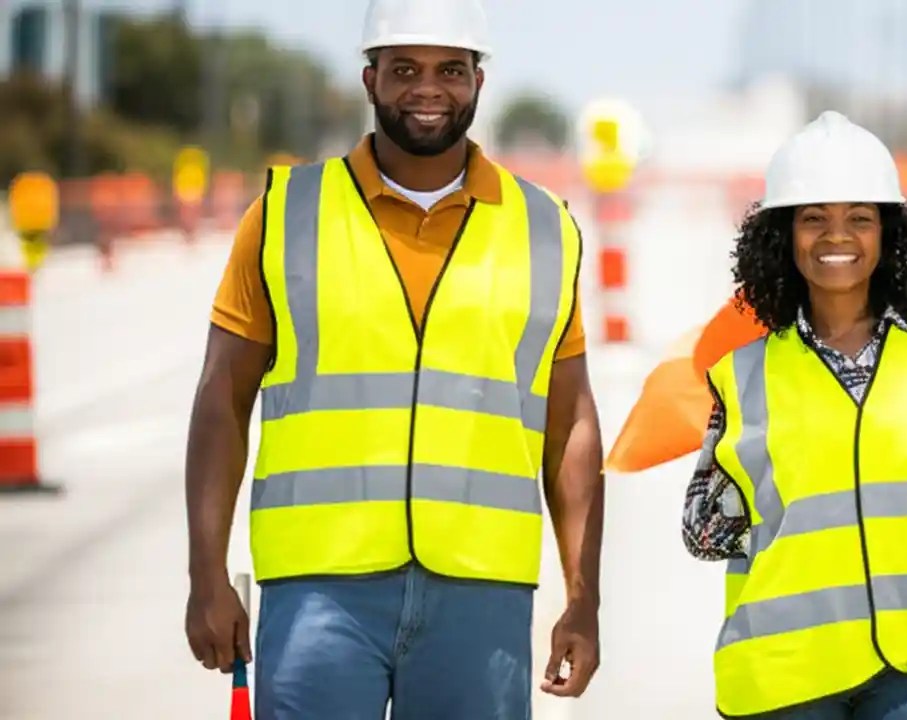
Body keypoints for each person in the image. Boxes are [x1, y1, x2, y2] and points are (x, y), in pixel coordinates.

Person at [182, 0, 605, 717]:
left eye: (450, 69)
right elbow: (223, 398)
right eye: (405, 68)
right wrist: (205, 573)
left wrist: (583, 598)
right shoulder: (285, 214)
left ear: (479, 81)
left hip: (483, 590)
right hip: (319, 588)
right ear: (371, 78)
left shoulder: (546, 229)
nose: (427, 88)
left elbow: (571, 428)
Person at [681, 111, 907, 720]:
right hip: (788, 671)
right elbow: (701, 532)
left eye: (860, 218)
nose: (837, 237)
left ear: (889, 235)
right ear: (783, 236)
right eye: (813, 219)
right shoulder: (743, 372)